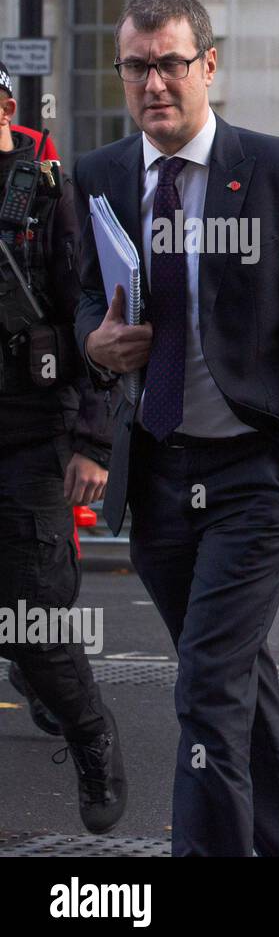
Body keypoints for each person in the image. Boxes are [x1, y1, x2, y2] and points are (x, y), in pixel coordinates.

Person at [73, 0, 279, 855]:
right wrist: (99, 343)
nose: (154, 82)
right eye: (137, 66)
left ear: (209, 66)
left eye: (171, 63)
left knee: (205, 683)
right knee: (237, 677)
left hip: (256, 474)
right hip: (160, 470)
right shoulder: (99, 178)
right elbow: (87, 299)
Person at [0, 61, 125, 832]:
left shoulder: (43, 193)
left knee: (38, 618)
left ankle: (92, 738)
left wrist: (91, 441)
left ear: (6, 106)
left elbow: (97, 316)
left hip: (31, 439)